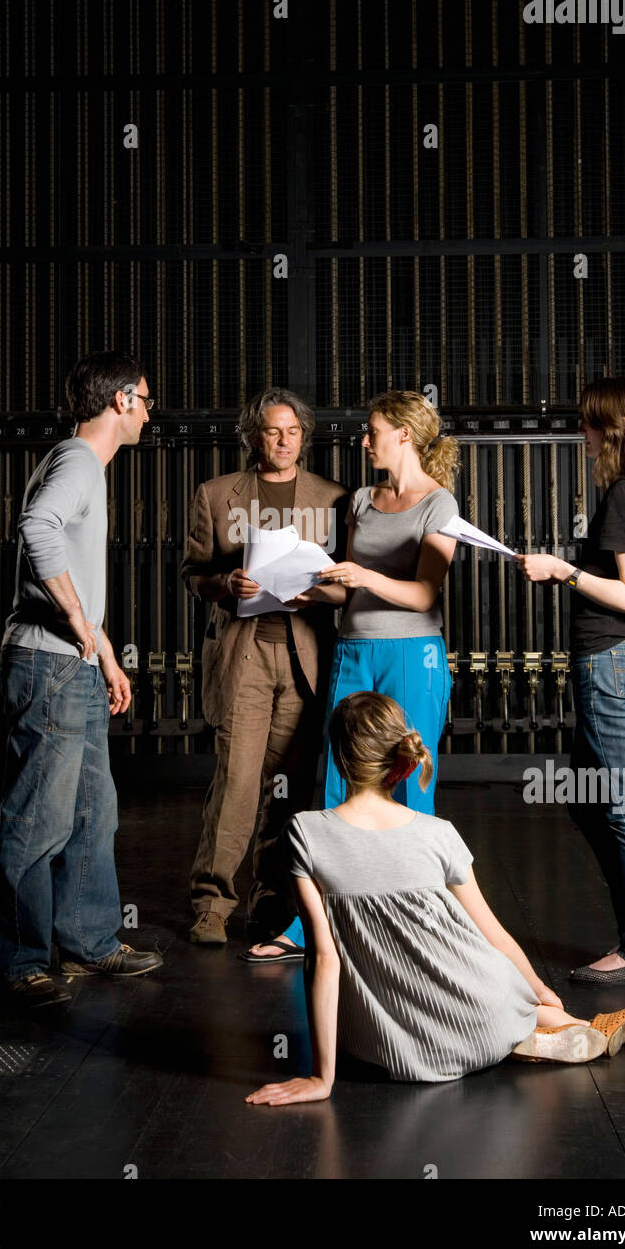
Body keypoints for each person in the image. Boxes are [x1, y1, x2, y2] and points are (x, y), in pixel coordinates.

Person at [245, 691, 625, 1104]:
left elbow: (323, 958)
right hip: (481, 1015)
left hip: (387, 1049)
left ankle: (534, 1029)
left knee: (438, 1002)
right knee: (503, 994)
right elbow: (494, 935)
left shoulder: (306, 832)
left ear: (339, 759)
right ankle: (562, 1023)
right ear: (401, 761)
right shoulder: (438, 833)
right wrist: (539, 988)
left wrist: (320, 1078)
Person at [250, 390, 459, 958]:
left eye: (372, 432)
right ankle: (310, 927)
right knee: (337, 788)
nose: (364, 441)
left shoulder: (440, 505)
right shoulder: (363, 500)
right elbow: (345, 589)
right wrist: (299, 590)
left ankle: (417, 919)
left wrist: (363, 576)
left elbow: (423, 593)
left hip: (413, 654)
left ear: (404, 435)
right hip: (354, 649)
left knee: (410, 785)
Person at [0, 352, 163, 1011]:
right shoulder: (79, 461)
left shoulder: (82, 464)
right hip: (49, 666)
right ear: (121, 401)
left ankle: (86, 940)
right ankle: (17, 963)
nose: (149, 413)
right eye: (145, 400)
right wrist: (79, 625)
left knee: (93, 810)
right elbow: (37, 528)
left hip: (74, 667)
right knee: (40, 818)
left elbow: (72, 583)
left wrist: (105, 655)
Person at [515, 375, 625, 986]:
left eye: (588, 421)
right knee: (589, 801)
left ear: (615, 427)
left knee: (624, 806)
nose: (581, 431)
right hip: (619, 661)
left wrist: (561, 570)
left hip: (613, 661)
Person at [182, 389, 348, 954]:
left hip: (304, 660)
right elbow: (192, 574)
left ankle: (273, 903)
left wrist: (316, 591)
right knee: (236, 783)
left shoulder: (332, 497)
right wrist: (224, 583)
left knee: (289, 790)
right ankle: (212, 904)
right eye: (273, 431)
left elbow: (345, 581)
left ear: (304, 436)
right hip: (243, 656)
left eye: (293, 431)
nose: (284, 441)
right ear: (254, 435)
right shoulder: (216, 494)